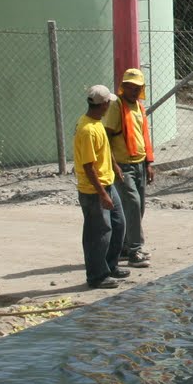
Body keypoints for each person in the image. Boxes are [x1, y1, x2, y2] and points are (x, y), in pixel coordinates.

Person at [75, 85, 128, 289]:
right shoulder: (87, 129)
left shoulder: (96, 123)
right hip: (94, 189)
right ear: (104, 104)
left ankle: (110, 265)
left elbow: (104, 148)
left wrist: (114, 166)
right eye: (109, 102)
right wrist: (102, 194)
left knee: (117, 223)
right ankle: (96, 275)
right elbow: (88, 167)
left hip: (107, 183)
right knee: (98, 232)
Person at [104, 67, 156, 268]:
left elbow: (144, 136)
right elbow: (106, 137)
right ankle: (135, 251)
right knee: (132, 205)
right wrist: (113, 164)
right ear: (123, 87)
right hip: (123, 166)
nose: (134, 90)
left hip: (139, 164)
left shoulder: (139, 107)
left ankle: (125, 247)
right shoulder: (116, 107)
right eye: (130, 87)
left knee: (138, 206)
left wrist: (149, 162)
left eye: (137, 87)